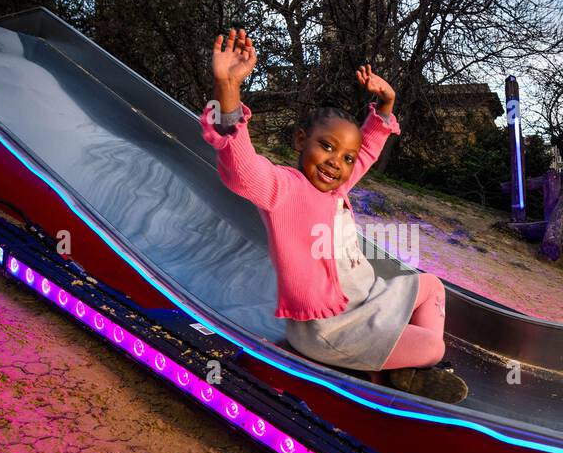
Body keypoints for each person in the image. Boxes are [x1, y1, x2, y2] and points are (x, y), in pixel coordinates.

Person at [200, 28, 468, 404]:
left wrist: (387, 102)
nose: (336, 163)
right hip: (328, 328)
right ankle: (388, 369)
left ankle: (400, 368)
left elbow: (369, 149)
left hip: (366, 302)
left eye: (345, 158)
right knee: (432, 348)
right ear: (299, 141)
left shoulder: (335, 186)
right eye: (326, 146)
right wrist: (227, 88)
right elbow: (241, 169)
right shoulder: (283, 188)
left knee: (433, 286)